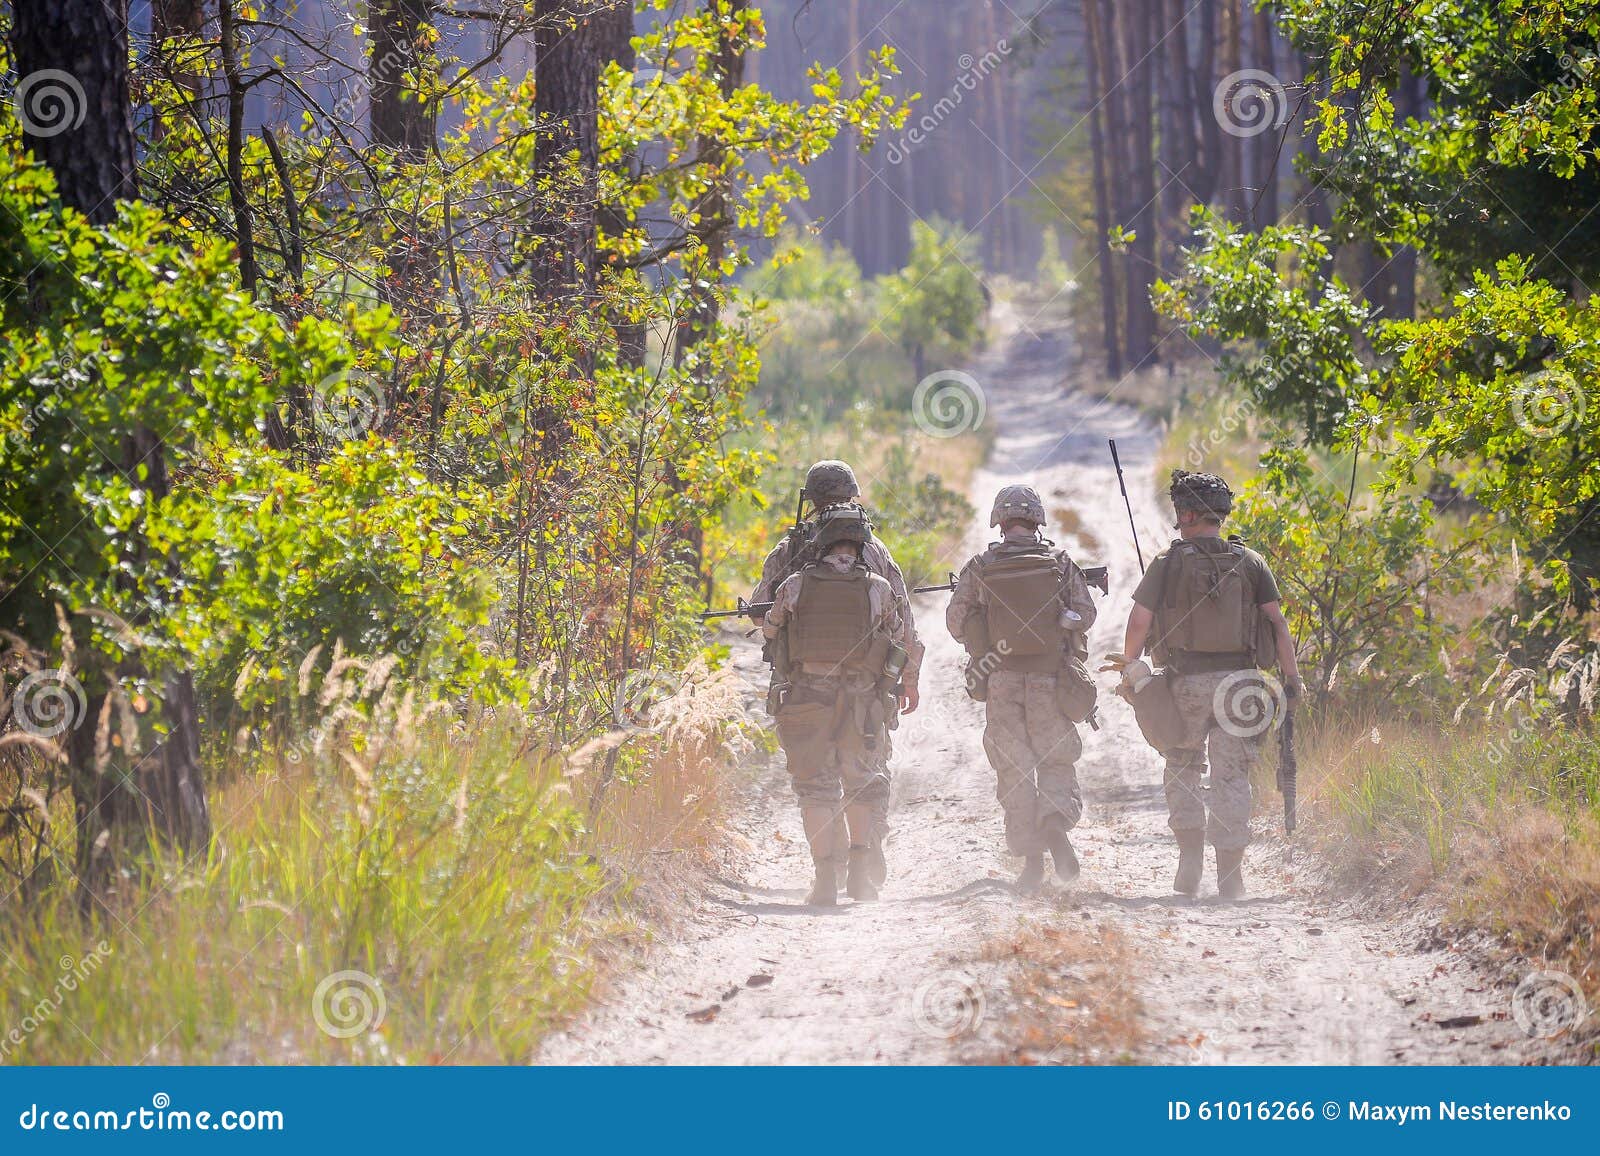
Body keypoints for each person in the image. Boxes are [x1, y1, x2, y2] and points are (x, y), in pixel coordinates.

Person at [1104, 470, 1302, 899]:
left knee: (1182, 765)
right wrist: (1292, 680)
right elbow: (1277, 623)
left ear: (1189, 513)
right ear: (1221, 514)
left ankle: (1189, 860)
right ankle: (1231, 875)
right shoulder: (1251, 562)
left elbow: (1140, 621)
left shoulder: (1166, 562)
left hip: (1185, 684)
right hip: (1241, 687)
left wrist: (1131, 671)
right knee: (1232, 777)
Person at [751, 460, 923, 888]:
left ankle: (828, 872)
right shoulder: (875, 552)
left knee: (816, 784)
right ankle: (866, 859)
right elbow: (903, 623)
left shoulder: (789, 552)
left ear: (811, 499)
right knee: (866, 773)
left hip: (805, 686)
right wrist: (908, 677)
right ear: (851, 493)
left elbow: (761, 615)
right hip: (866, 688)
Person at [946, 484, 1097, 891]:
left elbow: (956, 622)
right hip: (1051, 677)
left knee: (1014, 766)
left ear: (999, 521)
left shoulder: (981, 565)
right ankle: (1054, 826)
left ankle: (1031, 861)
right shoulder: (1060, 562)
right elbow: (1085, 613)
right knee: (1055, 758)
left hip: (1002, 679)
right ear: (1037, 520)